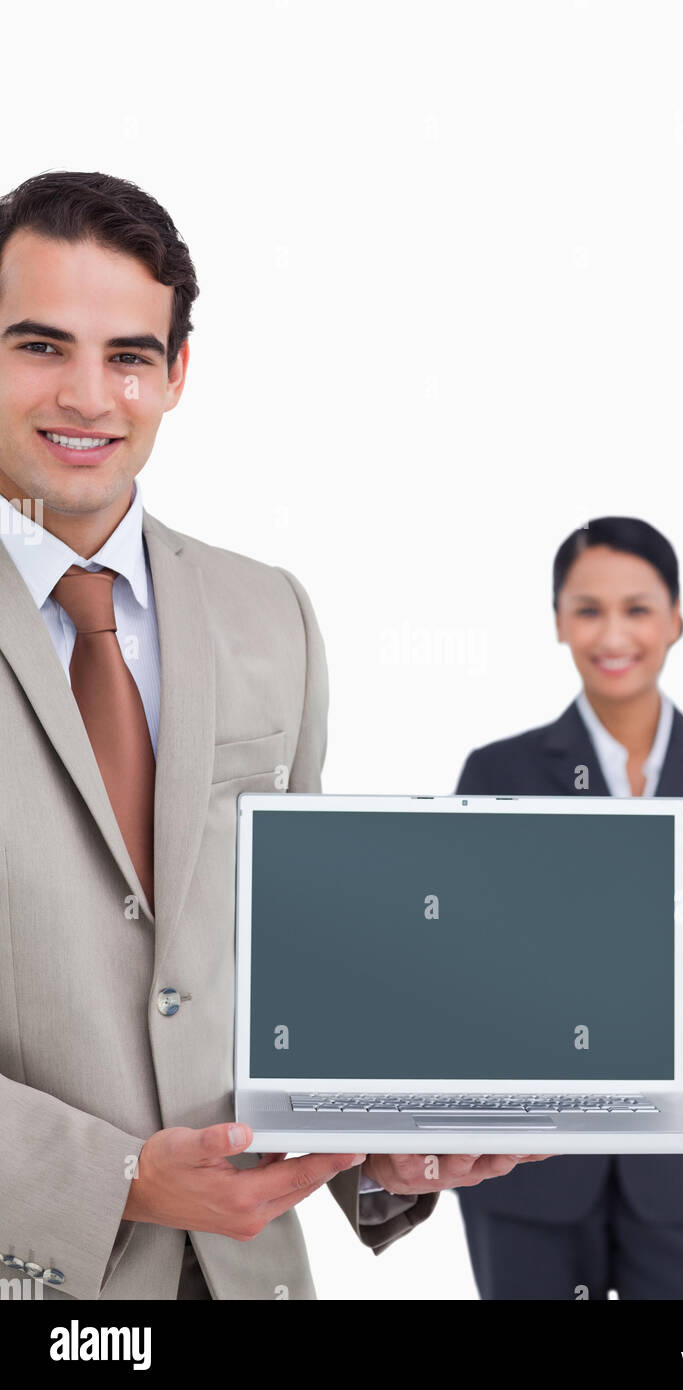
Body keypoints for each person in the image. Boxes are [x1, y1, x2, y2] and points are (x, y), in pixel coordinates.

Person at [0, 170, 543, 1301]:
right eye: (40, 346)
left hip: (250, 1277)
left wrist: (385, 1147)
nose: (89, 396)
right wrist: (119, 1179)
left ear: (177, 373)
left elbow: (284, 961)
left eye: (130, 356)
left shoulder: (269, 615)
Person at [454, 516, 683, 1300]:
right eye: (587, 609)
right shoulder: (497, 771)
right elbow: (472, 969)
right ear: (558, 622)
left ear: (676, 619)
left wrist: (667, 1070)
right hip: (528, 1164)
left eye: (638, 608)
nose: (613, 634)